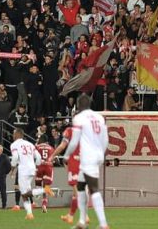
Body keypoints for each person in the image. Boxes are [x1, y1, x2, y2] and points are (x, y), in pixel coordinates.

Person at [64, 94, 109, 229]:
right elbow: (105, 138)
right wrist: (101, 152)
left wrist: (66, 155)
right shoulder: (99, 117)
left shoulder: (79, 118)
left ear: (78, 105)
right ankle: (82, 222)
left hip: (88, 156)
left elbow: (74, 141)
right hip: (97, 154)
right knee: (80, 186)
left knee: (94, 188)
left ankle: (103, 224)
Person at [49, 124, 86, 225]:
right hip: (86, 161)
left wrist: (52, 156)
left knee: (77, 190)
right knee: (79, 190)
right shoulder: (88, 131)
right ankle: (70, 216)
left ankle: (84, 216)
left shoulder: (70, 130)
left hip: (75, 161)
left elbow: (62, 146)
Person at [9, 128, 47, 220]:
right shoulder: (30, 144)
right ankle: (29, 214)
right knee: (25, 192)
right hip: (32, 168)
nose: (13, 136)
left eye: (14, 134)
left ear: (18, 134)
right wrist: (37, 165)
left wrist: (12, 169)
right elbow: (38, 157)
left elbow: (15, 157)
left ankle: (45, 190)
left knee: (24, 193)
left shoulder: (14, 144)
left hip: (23, 169)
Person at [35, 134, 56, 213]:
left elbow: (34, 156)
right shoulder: (51, 148)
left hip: (40, 166)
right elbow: (55, 159)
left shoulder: (37, 147)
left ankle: (37, 193)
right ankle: (44, 204)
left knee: (38, 185)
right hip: (48, 167)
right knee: (46, 186)